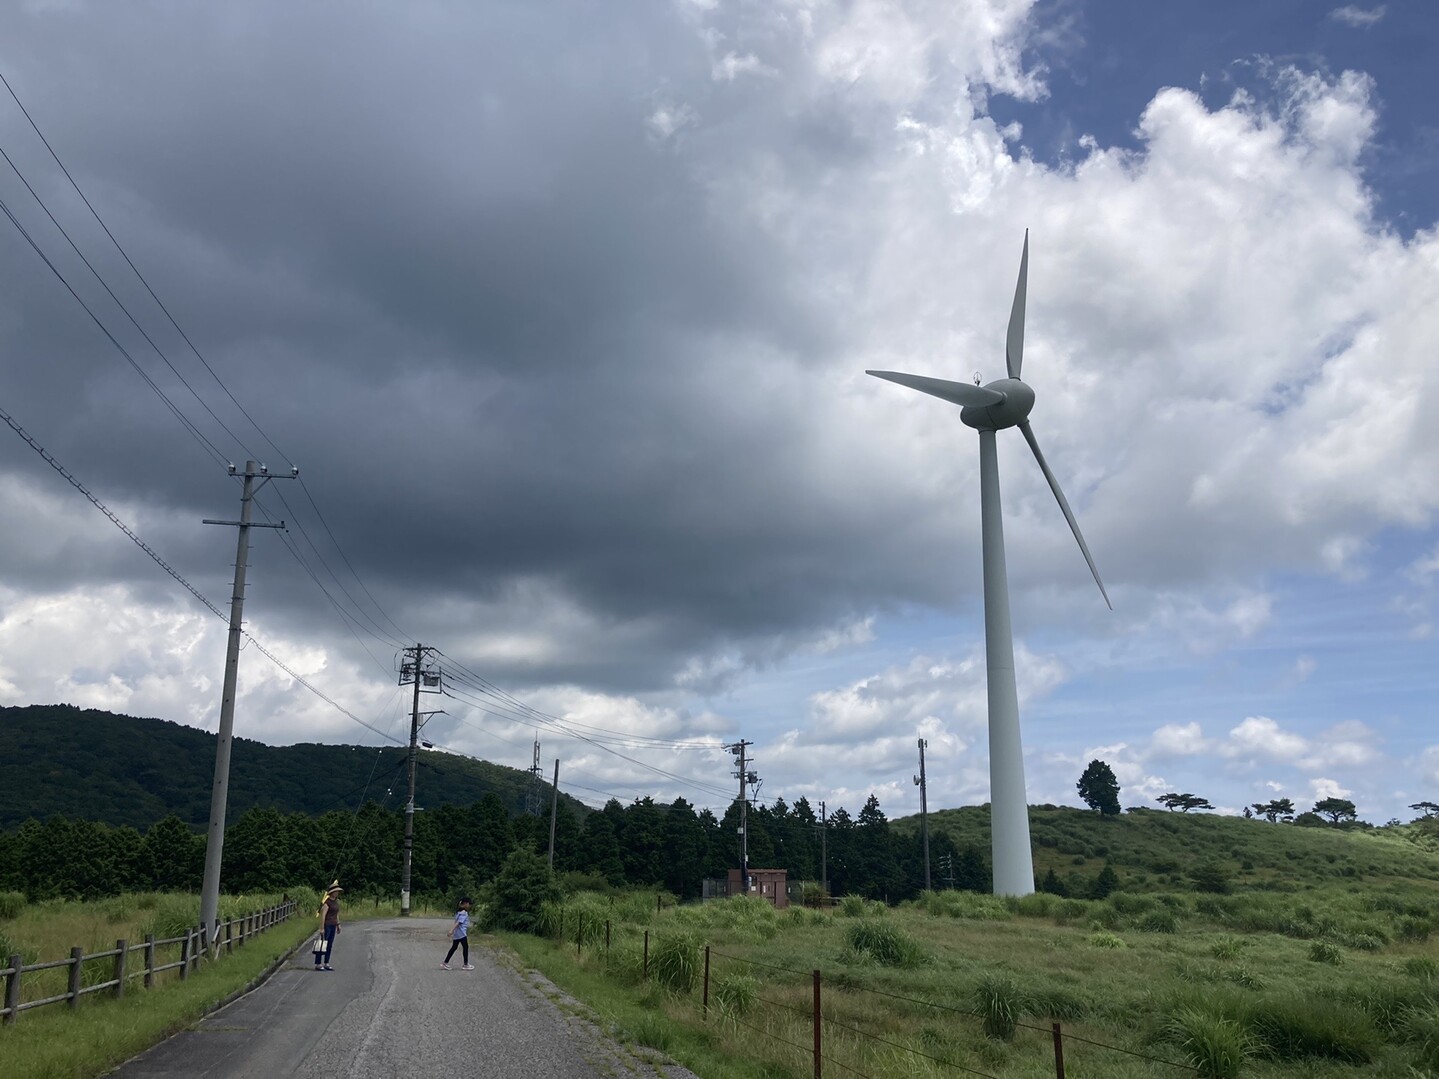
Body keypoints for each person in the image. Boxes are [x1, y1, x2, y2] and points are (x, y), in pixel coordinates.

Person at [315, 882, 342, 970]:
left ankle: (326, 962)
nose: (337, 893)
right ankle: (318, 963)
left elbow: (336, 914)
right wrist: (322, 927)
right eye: (336, 891)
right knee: (323, 943)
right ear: (332, 892)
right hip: (327, 925)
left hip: (333, 924)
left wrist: (338, 924)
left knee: (329, 944)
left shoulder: (335, 902)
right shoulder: (327, 903)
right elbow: (323, 915)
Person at [441, 897, 473, 970]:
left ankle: (445, 962)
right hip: (461, 933)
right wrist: (451, 930)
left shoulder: (458, 912)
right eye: (468, 904)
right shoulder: (464, 913)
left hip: (457, 934)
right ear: (465, 904)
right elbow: (458, 923)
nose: (469, 905)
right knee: (465, 947)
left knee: (454, 947)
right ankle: (465, 964)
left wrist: (453, 931)